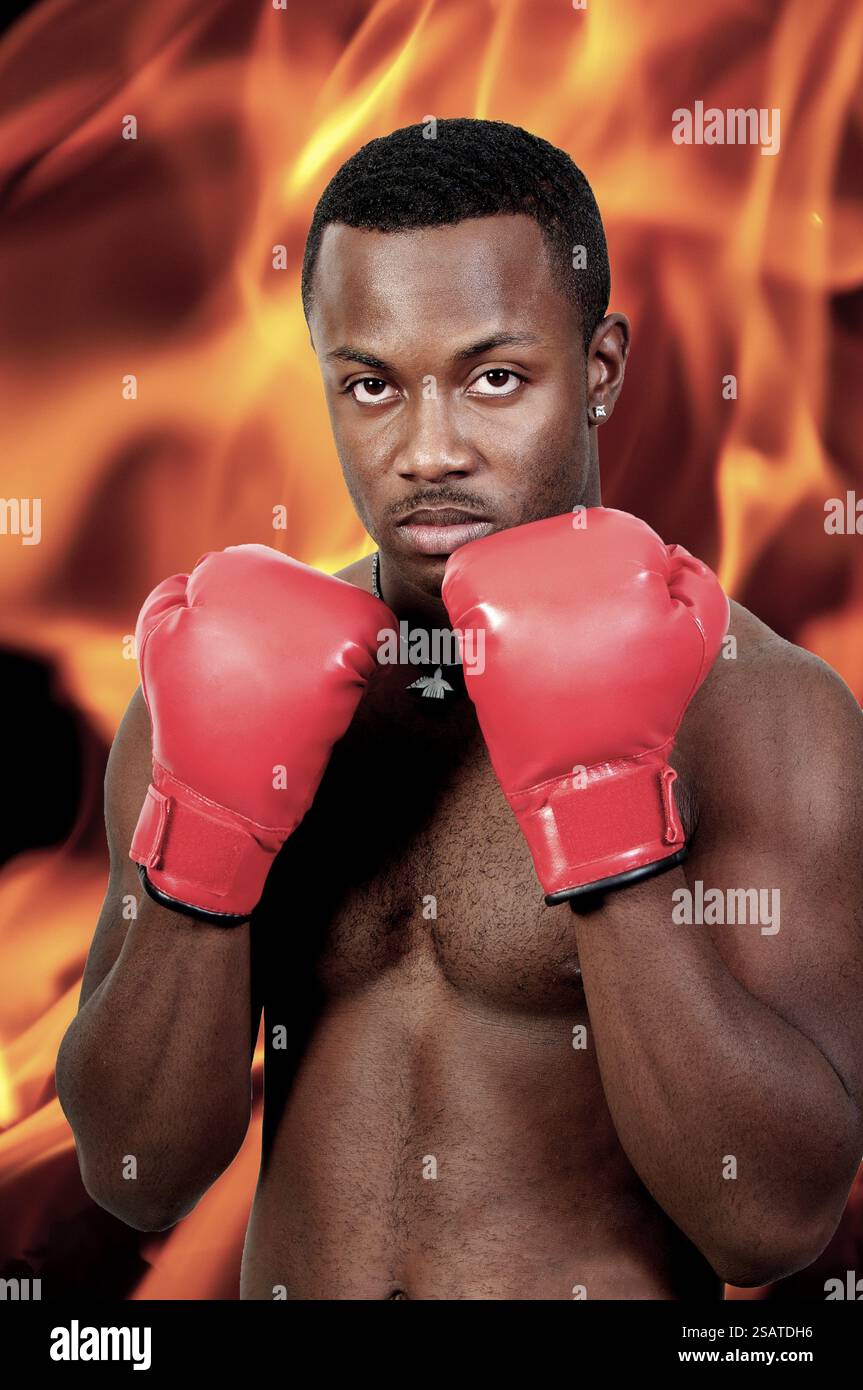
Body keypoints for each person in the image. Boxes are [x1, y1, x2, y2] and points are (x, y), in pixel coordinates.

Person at [57, 119, 863, 1300]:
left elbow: (771, 1219)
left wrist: (605, 822)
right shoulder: (211, 673)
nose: (427, 451)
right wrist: (205, 849)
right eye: (371, 385)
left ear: (598, 370)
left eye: (493, 378)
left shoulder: (760, 712)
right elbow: (135, 1173)